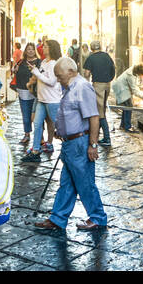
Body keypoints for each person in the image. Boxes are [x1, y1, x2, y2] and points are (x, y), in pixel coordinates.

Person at [33, 56, 107, 233]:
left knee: (85, 183)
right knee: (67, 183)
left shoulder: (82, 87)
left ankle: (98, 218)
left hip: (80, 143)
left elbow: (94, 117)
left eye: (60, 76)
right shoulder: (70, 87)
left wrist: (93, 145)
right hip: (70, 143)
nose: (58, 79)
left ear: (71, 72)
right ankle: (58, 218)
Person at [21, 39, 64, 162]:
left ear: (51, 49)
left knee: (58, 126)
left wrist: (36, 72)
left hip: (52, 100)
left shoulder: (54, 63)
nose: (42, 49)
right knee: (37, 124)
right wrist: (36, 70)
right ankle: (35, 150)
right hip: (41, 99)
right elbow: (42, 76)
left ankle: (67, 146)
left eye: (45, 47)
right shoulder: (44, 62)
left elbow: (51, 81)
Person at [81, 41, 116, 146]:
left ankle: (107, 137)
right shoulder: (106, 56)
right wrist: (108, 79)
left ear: (91, 48)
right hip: (107, 85)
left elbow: (86, 73)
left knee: (100, 113)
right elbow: (113, 69)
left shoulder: (91, 58)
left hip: (97, 85)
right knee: (102, 109)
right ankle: (98, 132)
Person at [11, 41, 39, 146]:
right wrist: (15, 69)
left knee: (37, 116)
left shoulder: (39, 62)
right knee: (26, 115)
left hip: (36, 93)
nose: (30, 51)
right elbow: (13, 70)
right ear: (25, 51)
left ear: (34, 51)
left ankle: (39, 137)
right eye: (28, 49)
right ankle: (27, 134)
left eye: (32, 49)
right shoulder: (21, 62)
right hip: (23, 91)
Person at [111, 63, 143, 133]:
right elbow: (135, 91)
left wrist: (140, 87)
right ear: (139, 72)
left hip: (121, 87)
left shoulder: (133, 70)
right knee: (129, 107)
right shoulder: (131, 76)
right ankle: (127, 127)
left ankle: (123, 125)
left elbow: (133, 85)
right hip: (122, 90)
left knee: (125, 107)